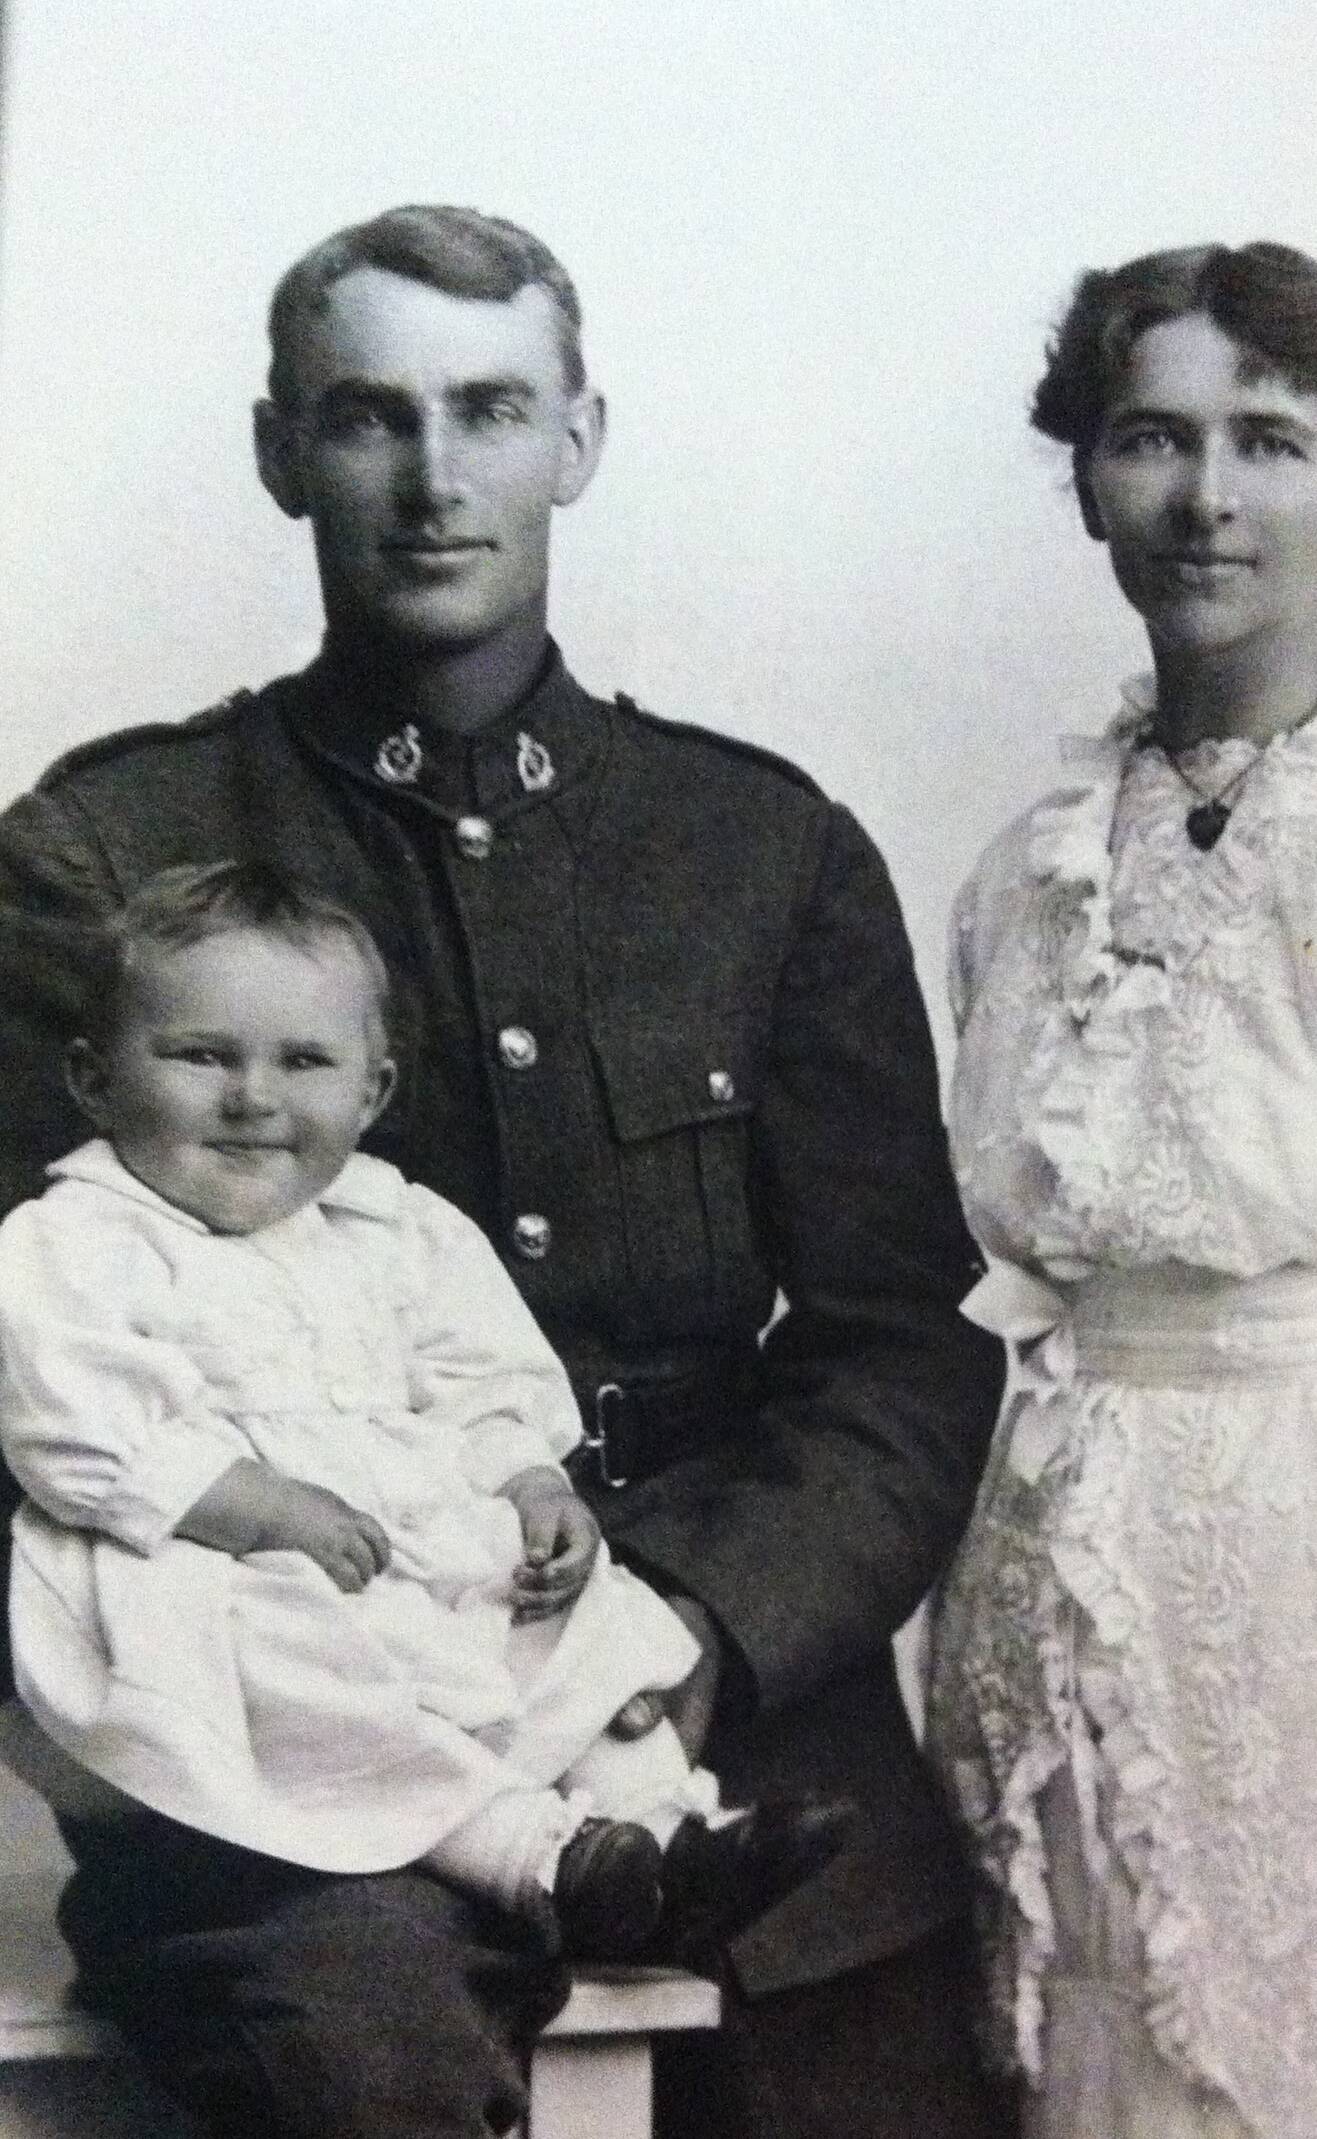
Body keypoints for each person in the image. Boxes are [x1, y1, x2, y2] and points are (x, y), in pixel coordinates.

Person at [0, 204, 1006, 2139]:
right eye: (371, 415)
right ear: (282, 449)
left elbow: (898, 1341)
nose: (435, 474)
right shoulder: (106, 853)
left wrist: (706, 1623)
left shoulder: (757, 847)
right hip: (296, 1732)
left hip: (731, 1679)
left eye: (490, 408)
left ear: (580, 437)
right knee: (361, 2060)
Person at [1, 857, 848, 1967]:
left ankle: (664, 1835)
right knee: (298, 1657)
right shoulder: (75, 1239)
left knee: (570, 1604)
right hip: (208, 1557)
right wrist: (253, 1508)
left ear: (373, 1091)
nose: (253, 1097)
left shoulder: (396, 1227)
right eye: (200, 1056)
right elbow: (74, 1420)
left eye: (304, 1061)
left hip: (405, 1528)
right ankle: (536, 1858)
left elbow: (482, 1378)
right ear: (97, 1078)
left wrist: (531, 1482)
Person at [926, 240, 1317, 2139]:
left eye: (1272, 438)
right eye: (1149, 438)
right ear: (1084, 475)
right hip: (1059, 1534)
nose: (1206, 496)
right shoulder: (1027, 869)